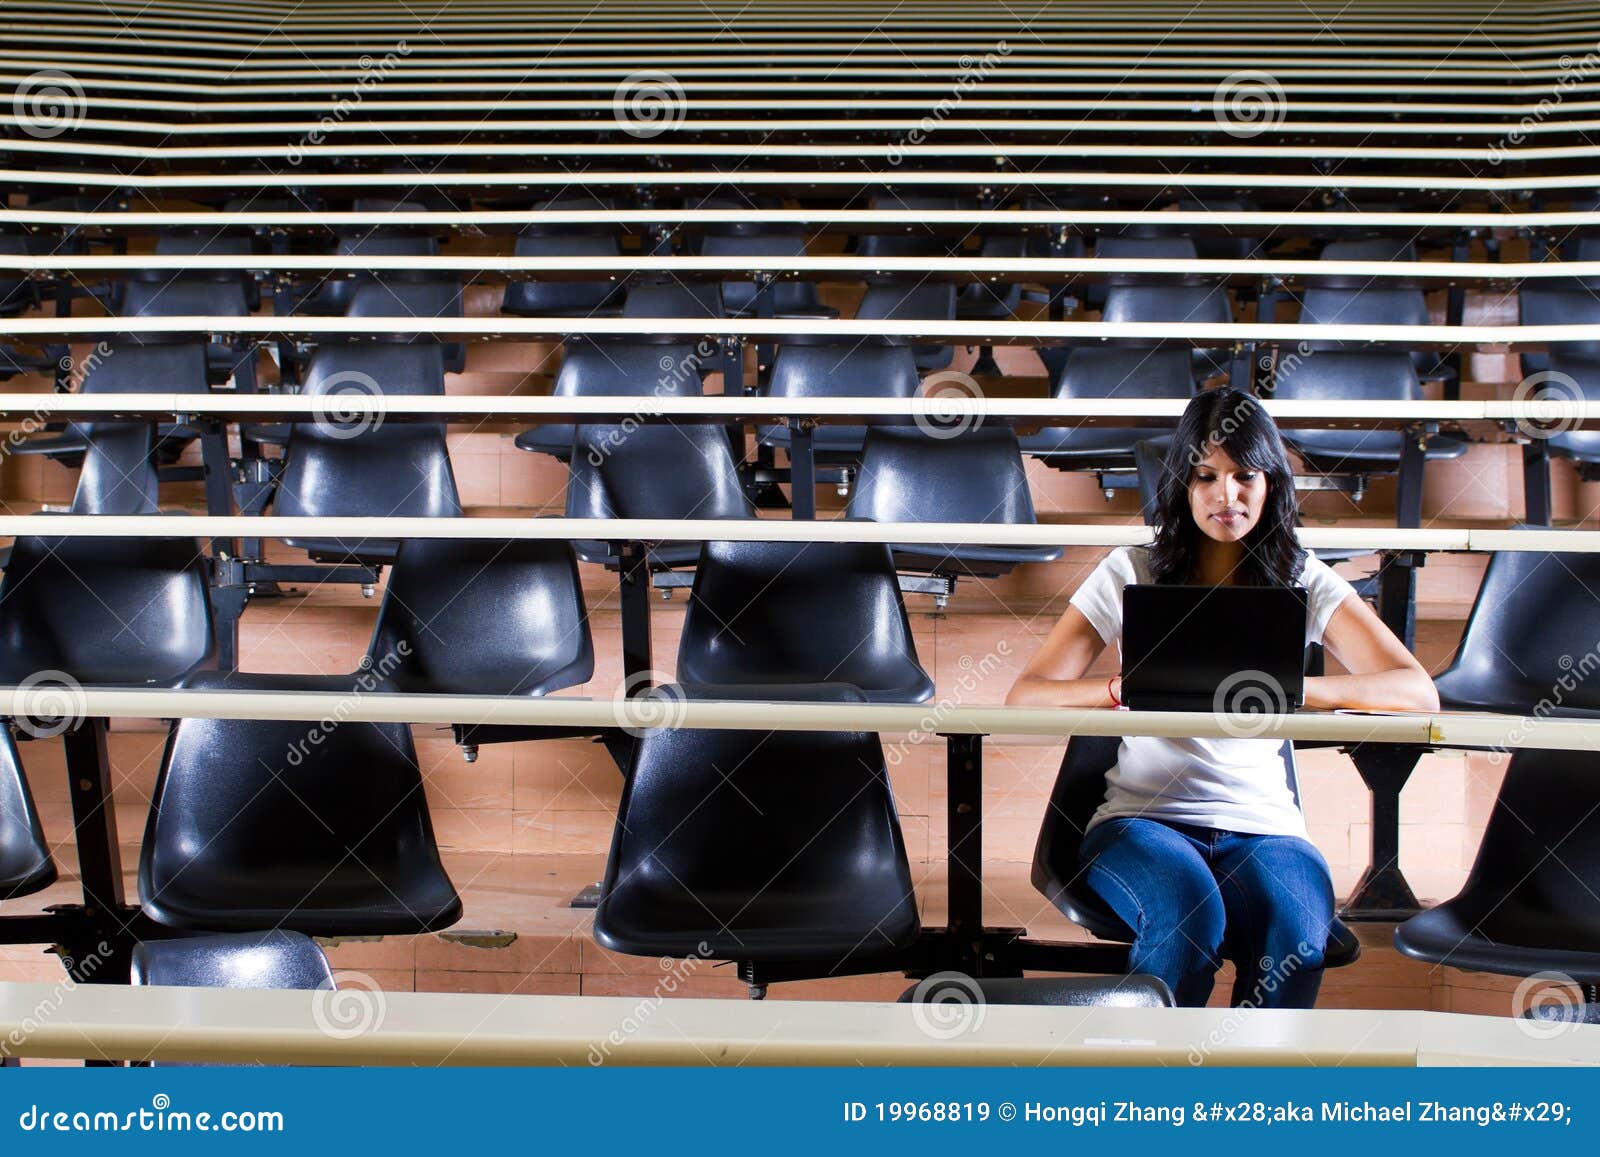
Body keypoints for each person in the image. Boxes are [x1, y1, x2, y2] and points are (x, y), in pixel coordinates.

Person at [1007, 388, 1438, 1007]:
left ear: (1271, 484)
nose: (1226, 497)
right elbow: (1025, 698)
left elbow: (1416, 691)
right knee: (1189, 917)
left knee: (1297, 932)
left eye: (1244, 476)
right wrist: (1120, 689)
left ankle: (1249, 1097)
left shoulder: (1300, 576)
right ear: (1183, 484)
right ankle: (1157, 1096)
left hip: (1263, 826)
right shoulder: (1134, 569)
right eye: (1206, 477)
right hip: (1143, 820)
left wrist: (1292, 693)